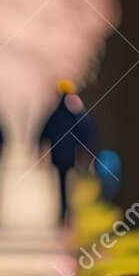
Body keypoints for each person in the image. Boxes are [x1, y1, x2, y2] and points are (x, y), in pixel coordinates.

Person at [37, 81, 96, 227]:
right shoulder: (75, 114)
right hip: (72, 157)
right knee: (73, 184)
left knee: (61, 184)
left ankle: (63, 211)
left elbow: (43, 134)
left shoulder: (54, 114)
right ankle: (70, 212)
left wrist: (40, 152)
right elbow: (87, 134)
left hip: (57, 156)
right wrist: (86, 153)